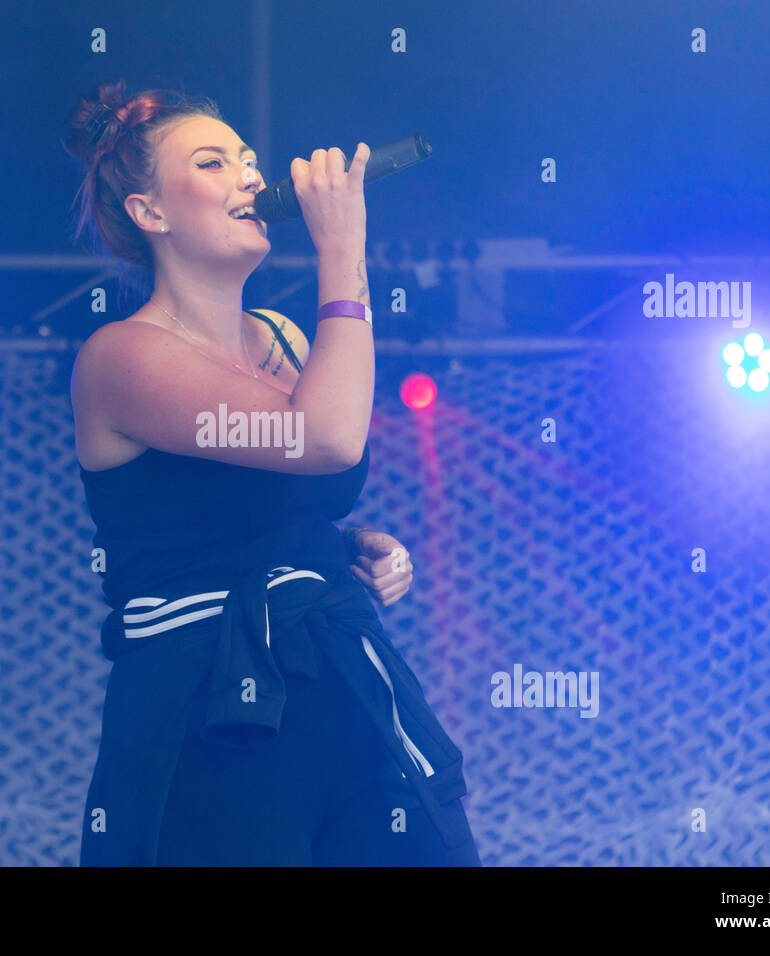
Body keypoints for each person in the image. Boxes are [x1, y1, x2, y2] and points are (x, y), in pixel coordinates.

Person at [62, 78, 482, 866]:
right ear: (150, 213)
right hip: (211, 708)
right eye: (214, 163)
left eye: (249, 162)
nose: (252, 177)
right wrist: (342, 251)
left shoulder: (285, 334)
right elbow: (321, 438)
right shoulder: (120, 355)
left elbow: (289, 483)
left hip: (340, 681)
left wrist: (340, 545)